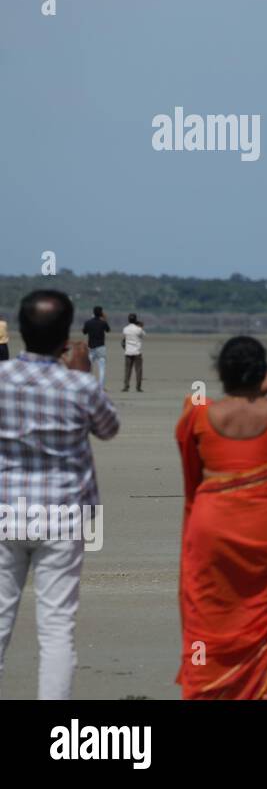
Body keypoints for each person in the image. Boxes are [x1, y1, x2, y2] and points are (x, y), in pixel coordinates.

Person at [174, 336, 267, 699]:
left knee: (209, 610)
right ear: (262, 374)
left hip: (211, 529)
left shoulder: (198, 411)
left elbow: (191, 462)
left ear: (221, 372)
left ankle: (210, 686)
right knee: (266, 612)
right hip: (265, 528)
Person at [0, 290, 120, 699]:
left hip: (6, 513)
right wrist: (84, 374)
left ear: (20, 330)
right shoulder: (77, 387)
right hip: (62, 517)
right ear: (66, 336)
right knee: (56, 630)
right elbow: (109, 428)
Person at [81, 307, 110, 388]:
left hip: (91, 347)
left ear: (93, 313)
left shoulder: (88, 322)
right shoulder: (103, 322)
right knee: (102, 368)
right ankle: (101, 387)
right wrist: (105, 319)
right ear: (101, 313)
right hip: (101, 347)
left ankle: (88, 385)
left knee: (89, 367)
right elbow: (108, 330)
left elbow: (84, 332)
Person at [121, 313, 145, 392]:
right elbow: (143, 335)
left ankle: (126, 386)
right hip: (137, 352)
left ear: (128, 320)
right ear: (135, 320)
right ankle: (138, 387)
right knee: (138, 370)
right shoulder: (138, 329)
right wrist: (141, 327)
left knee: (127, 370)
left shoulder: (125, 329)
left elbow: (124, 338)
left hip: (128, 352)